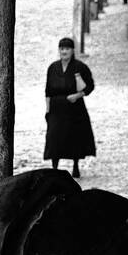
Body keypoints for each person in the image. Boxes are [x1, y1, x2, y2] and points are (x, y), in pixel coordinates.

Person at [44, 36, 95, 178]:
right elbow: (48, 90)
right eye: (62, 49)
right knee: (54, 138)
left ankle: (75, 166)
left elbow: (89, 87)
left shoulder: (80, 67)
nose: (64, 51)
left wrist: (77, 95)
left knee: (74, 137)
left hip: (74, 109)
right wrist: (47, 110)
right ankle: (54, 166)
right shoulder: (53, 68)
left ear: (72, 51)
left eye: (67, 49)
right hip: (56, 109)